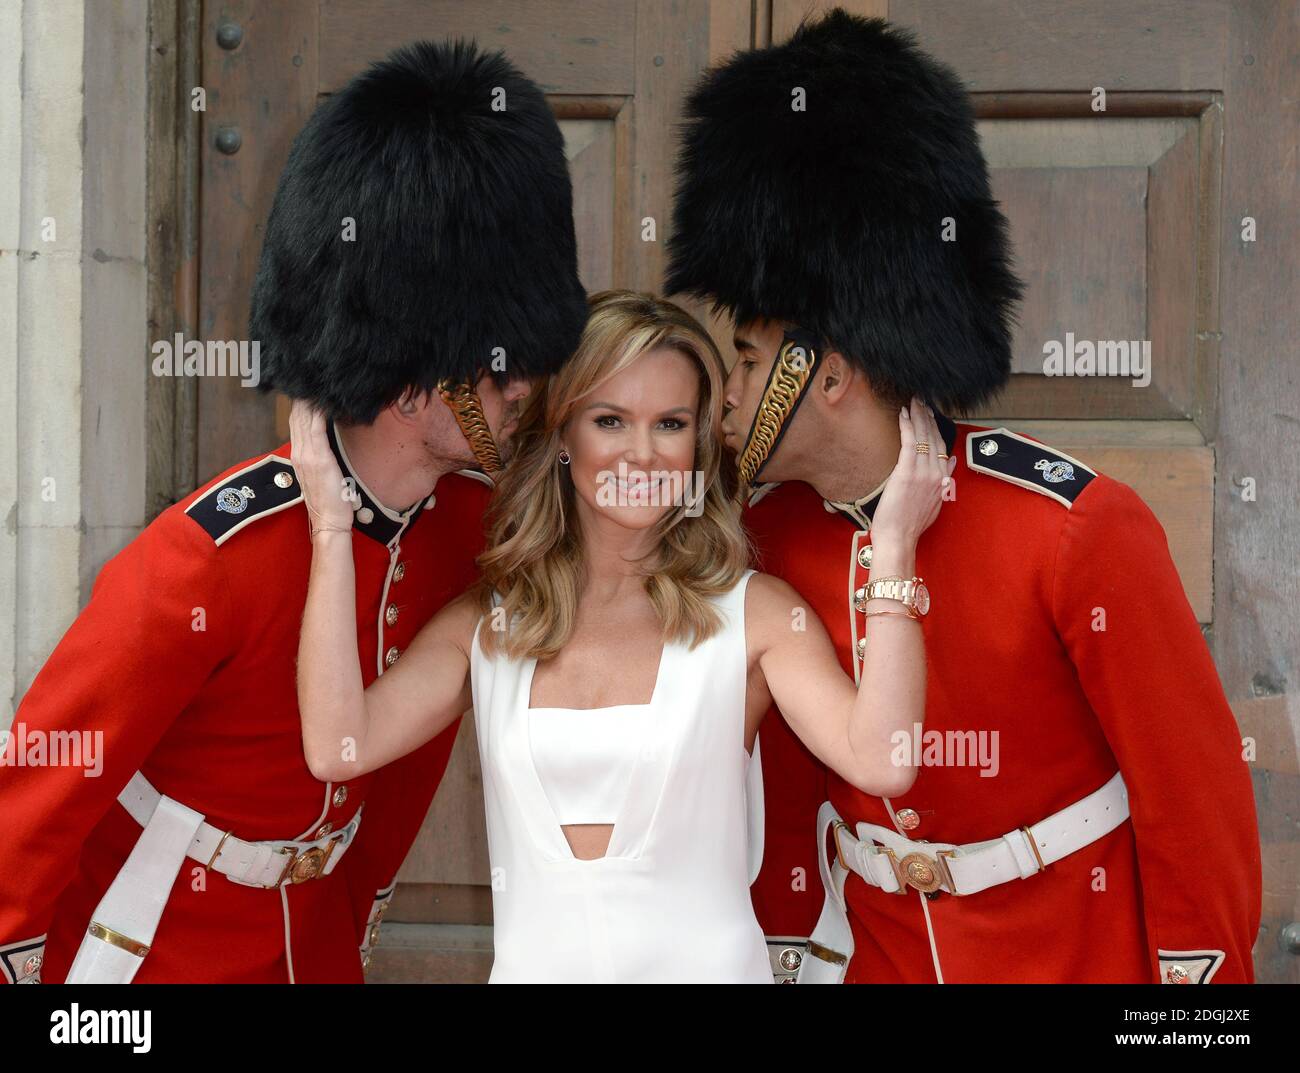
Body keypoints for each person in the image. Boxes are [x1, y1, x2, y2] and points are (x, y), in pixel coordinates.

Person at [664, 8, 1261, 983]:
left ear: (826, 370)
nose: (722, 394)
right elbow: (778, 780)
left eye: (744, 359)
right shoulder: (761, 535)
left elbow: (1190, 803)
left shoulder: (1071, 528)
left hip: (1072, 951)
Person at [0, 39, 587, 984]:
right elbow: (35, 797)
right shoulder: (213, 554)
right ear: (413, 378)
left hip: (311, 948)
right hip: (141, 958)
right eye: (502, 362)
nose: (526, 386)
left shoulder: (464, 534)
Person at [292, 290, 950, 983]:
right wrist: (332, 530)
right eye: (610, 420)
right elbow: (343, 745)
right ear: (564, 435)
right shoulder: (487, 628)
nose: (642, 455)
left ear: (697, 441)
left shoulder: (756, 616)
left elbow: (882, 761)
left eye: (669, 423)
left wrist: (894, 544)